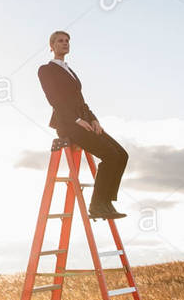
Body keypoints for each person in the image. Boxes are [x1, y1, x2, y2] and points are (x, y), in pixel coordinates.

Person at [38, 30, 128, 220]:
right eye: (60, 41)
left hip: (84, 122)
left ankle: (106, 202)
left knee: (121, 155)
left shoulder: (71, 71)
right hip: (69, 125)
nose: (65, 43)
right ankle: (97, 205)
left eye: (67, 41)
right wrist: (76, 120)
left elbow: (81, 101)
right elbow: (54, 99)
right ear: (52, 46)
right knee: (110, 155)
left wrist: (94, 119)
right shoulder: (46, 69)